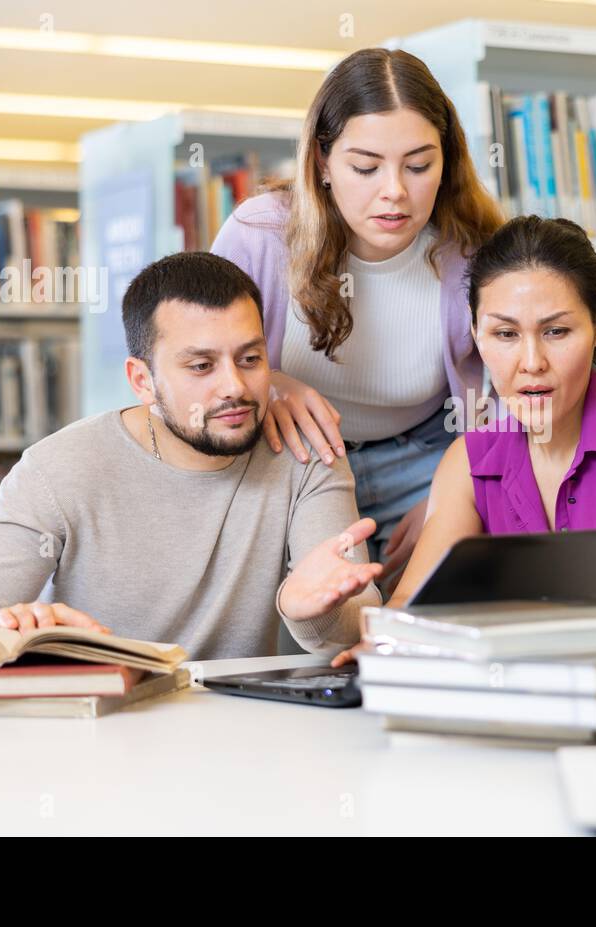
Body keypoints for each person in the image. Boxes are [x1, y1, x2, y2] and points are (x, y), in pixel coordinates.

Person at [333, 215, 596, 667]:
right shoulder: (471, 462)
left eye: (556, 332)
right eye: (505, 334)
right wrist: (378, 648)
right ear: (476, 333)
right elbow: (410, 618)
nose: (531, 362)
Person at [0, 252, 381, 660]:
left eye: (249, 359)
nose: (235, 388)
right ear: (142, 381)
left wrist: (312, 613)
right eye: (201, 366)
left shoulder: (306, 451)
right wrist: (8, 635)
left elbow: (358, 631)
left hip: (239, 739)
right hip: (99, 737)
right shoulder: (59, 468)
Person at [212, 47, 504, 594]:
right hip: (290, 462)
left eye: (419, 165)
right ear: (322, 162)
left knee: (429, 626)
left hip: (424, 462)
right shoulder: (258, 235)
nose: (394, 190)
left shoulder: (472, 249)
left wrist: (455, 497)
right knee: (322, 621)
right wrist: (268, 382)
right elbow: (197, 360)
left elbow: (516, 391)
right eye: (365, 167)